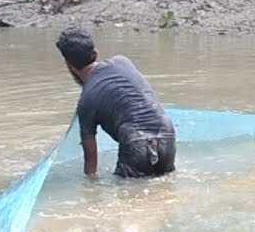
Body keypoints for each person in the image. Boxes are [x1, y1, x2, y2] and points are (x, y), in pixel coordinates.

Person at [55, 26, 176, 179]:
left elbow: (90, 160)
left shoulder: (86, 101)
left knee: (128, 191)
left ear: (68, 65)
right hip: (166, 133)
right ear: (96, 53)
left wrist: (91, 187)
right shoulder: (123, 61)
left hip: (135, 141)